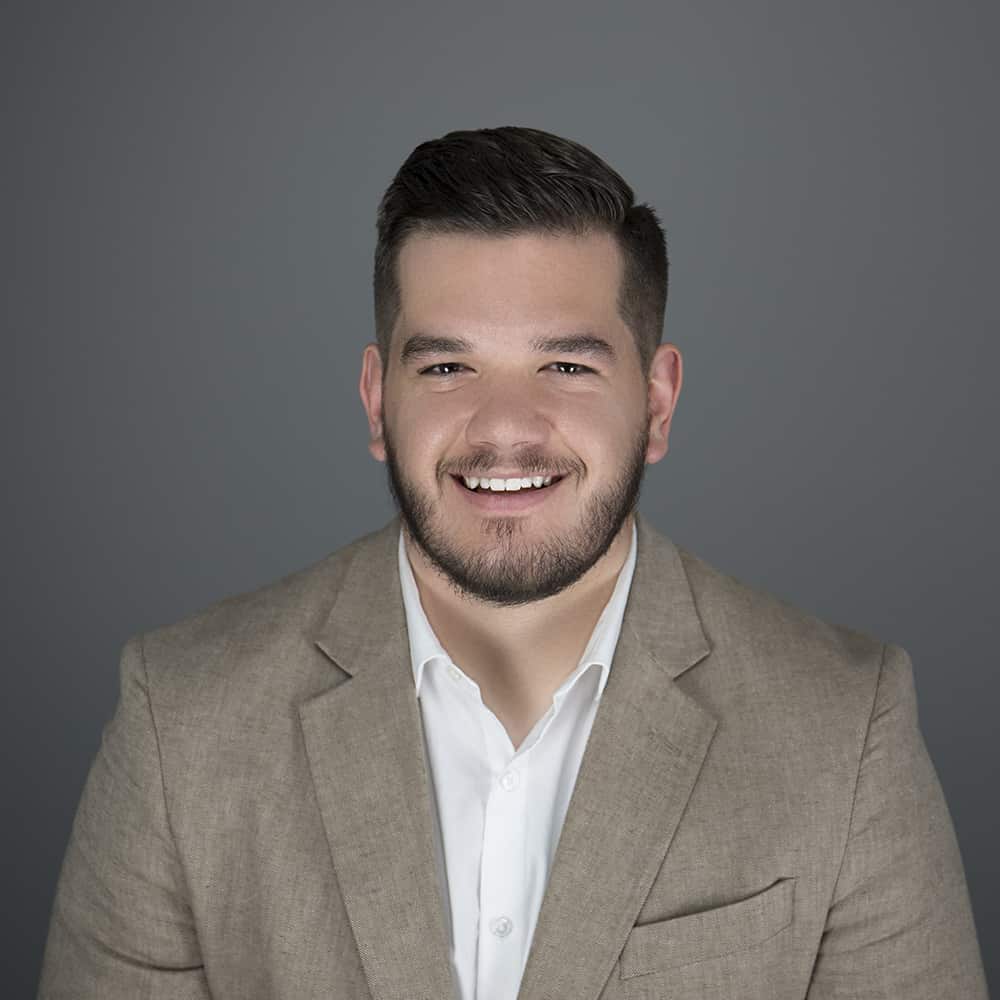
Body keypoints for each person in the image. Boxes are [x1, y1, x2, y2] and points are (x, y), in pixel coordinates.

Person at [39, 126, 987, 1000]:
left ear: (657, 403)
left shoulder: (844, 728)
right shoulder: (182, 723)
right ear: (377, 401)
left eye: (566, 367)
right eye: (446, 367)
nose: (504, 428)